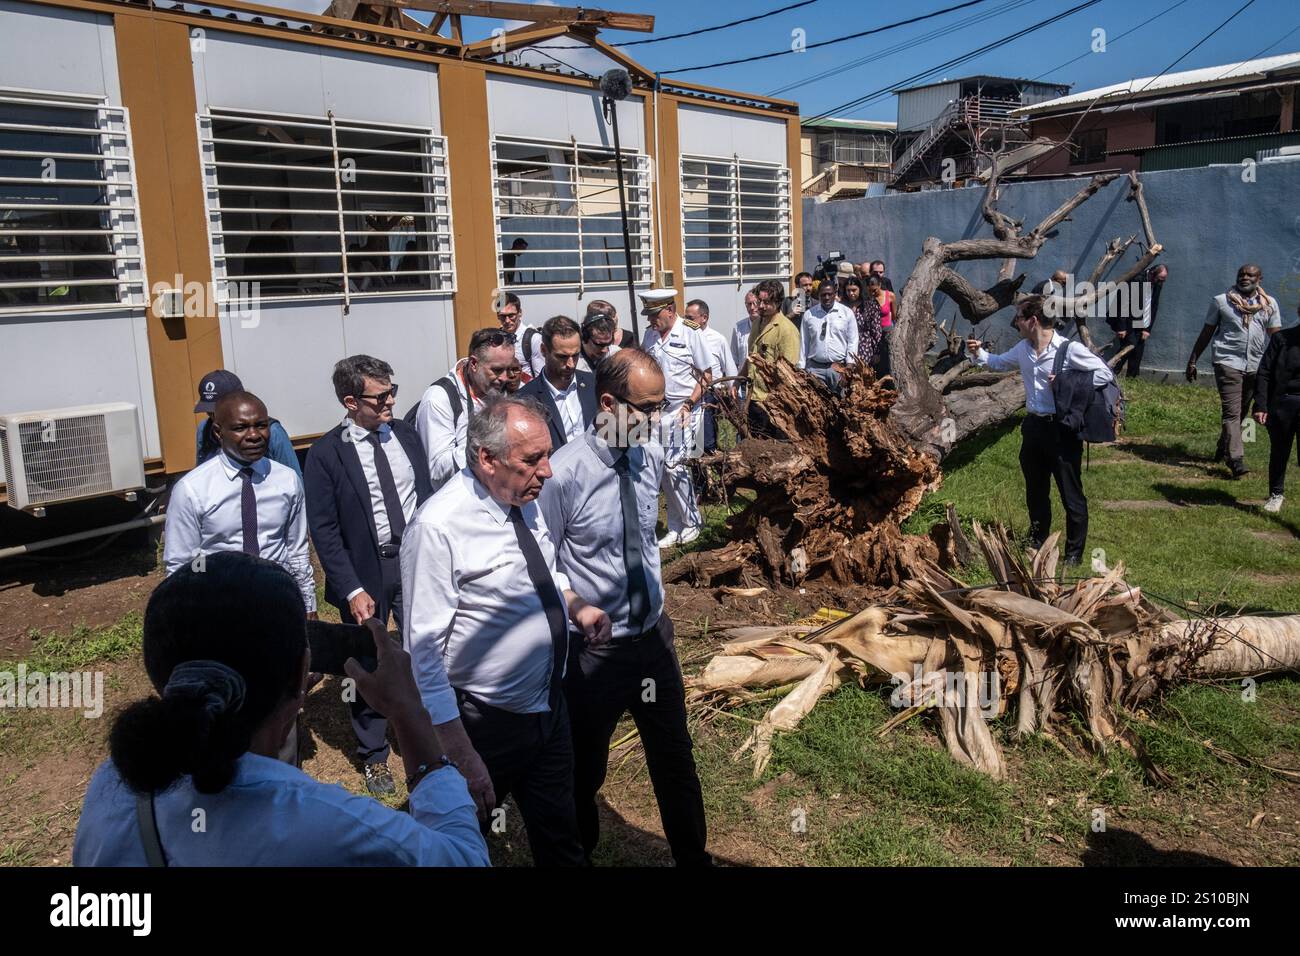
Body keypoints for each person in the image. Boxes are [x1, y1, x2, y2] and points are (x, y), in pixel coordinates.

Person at [72, 552, 490, 866]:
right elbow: (463, 857)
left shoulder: (116, 781)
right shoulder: (323, 824)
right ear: (302, 675)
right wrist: (411, 714)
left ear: (161, 672)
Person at [402, 395, 611, 866]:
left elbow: (541, 572)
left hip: (547, 708)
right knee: (458, 845)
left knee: (561, 838)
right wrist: (460, 751)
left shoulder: (522, 495)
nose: (549, 471)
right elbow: (423, 653)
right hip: (484, 723)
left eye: (549, 455)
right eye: (533, 459)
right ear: (486, 458)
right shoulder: (439, 527)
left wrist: (576, 607)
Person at [539, 350, 711, 866]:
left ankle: (692, 858)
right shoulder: (563, 474)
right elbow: (544, 559)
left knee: (675, 759)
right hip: (596, 654)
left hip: (654, 642)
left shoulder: (648, 454)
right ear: (608, 403)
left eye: (661, 408)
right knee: (584, 768)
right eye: (648, 408)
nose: (657, 420)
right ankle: (579, 855)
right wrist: (576, 609)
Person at [304, 355, 432, 795]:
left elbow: (426, 496)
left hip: (416, 560)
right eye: (381, 396)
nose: (391, 401)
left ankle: (430, 730)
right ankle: (374, 753)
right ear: (350, 401)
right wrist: (352, 587)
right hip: (366, 569)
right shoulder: (326, 454)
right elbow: (323, 530)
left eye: (392, 390)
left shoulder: (405, 435)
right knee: (368, 658)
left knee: (427, 645)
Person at [966, 296, 1115, 565]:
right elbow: (999, 362)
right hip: (1034, 427)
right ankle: (1038, 540)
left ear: (1033, 320)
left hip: (1062, 430)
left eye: (1019, 318)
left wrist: (1067, 381)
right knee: (1035, 490)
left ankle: (1073, 555)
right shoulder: (1023, 348)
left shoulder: (1069, 349)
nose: (1016, 323)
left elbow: (1104, 373)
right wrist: (978, 353)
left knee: (1071, 494)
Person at [1186, 264, 1282, 479]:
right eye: (1242, 274)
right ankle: (1236, 459)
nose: (1245, 277)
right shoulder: (1221, 301)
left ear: (1260, 278)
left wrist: (1279, 366)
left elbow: (1276, 339)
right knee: (1231, 412)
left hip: (1255, 365)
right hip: (1227, 362)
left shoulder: (1269, 304)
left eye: (1250, 275)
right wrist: (1192, 360)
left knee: (1241, 412)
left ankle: (1223, 448)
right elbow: (1207, 332)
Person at [640, 289, 712, 548]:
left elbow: (706, 375)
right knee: (662, 469)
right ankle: (675, 525)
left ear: (670, 310)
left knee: (676, 466)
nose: (651, 321)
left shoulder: (691, 331)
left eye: (655, 314)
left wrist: (690, 405)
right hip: (658, 411)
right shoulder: (649, 334)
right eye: (648, 315)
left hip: (686, 409)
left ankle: (692, 521)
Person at [413, 328, 517, 488]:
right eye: (497, 370)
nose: (504, 378)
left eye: (508, 369)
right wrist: (488, 445)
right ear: (474, 364)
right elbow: (436, 473)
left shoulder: (497, 389)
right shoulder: (439, 399)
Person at [194, 370, 299, 477]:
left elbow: (293, 478)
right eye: (209, 412)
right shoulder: (205, 429)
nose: (214, 417)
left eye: (219, 410)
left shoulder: (273, 432)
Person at [518, 315, 597, 450]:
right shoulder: (525, 400)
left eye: (576, 355)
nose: (571, 364)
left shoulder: (595, 383)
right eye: (562, 357)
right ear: (543, 350)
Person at [1252, 303, 1300, 513]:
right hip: (1283, 403)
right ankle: (1276, 494)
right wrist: (1261, 405)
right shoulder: (1281, 339)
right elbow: (1264, 372)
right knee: (1280, 452)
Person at [744, 278, 800, 438]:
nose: (760, 306)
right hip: (753, 398)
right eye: (759, 301)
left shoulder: (786, 330)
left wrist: (777, 405)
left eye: (766, 302)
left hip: (772, 404)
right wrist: (737, 381)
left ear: (778, 302)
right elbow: (751, 357)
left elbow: (788, 374)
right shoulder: (757, 323)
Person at [684, 298, 737, 453]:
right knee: (691, 440)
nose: (686, 322)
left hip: (709, 395)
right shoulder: (684, 337)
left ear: (704, 318)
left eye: (690, 318)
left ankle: (710, 465)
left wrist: (733, 396)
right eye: (685, 317)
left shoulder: (718, 339)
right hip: (689, 393)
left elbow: (729, 368)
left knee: (707, 440)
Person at [799, 273, 858, 393]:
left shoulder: (846, 313)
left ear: (835, 294)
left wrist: (849, 367)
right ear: (818, 295)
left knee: (841, 406)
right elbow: (804, 343)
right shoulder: (809, 315)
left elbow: (853, 341)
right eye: (823, 295)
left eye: (829, 294)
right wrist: (801, 368)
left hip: (838, 369)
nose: (826, 298)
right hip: (814, 369)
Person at [1110, 264, 1167, 379]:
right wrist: (1121, 327)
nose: (1161, 282)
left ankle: (1132, 377)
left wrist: (1147, 329)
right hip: (1127, 320)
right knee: (1129, 345)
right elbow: (1123, 304)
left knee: (1138, 348)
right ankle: (1111, 373)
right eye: (1160, 279)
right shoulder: (1137, 280)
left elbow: (1154, 306)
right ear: (1152, 274)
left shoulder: (1157, 283)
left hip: (1142, 320)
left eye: (1164, 280)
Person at [495, 291, 544, 379]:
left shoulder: (533, 339)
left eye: (511, 315)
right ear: (497, 316)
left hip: (527, 391)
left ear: (520, 313)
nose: (507, 320)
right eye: (503, 316)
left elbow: (541, 378)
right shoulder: (495, 339)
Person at [841, 275, 883, 369]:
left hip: (864, 346)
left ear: (860, 289)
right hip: (845, 346)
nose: (851, 293)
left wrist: (877, 352)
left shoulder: (870, 305)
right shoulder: (842, 306)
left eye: (854, 290)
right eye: (848, 290)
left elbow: (876, 330)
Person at [576, 304, 624, 375]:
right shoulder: (575, 362)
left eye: (608, 343)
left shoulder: (617, 354)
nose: (605, 350)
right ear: (585, 338)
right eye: (600, 344)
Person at [865, 273, 895, 380]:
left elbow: (895, 316)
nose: (873, 293)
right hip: (873, 335)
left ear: (880, 285)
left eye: (875, 290)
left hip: (886, 332)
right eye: (870, 290)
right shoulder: (867, 300)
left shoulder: (890, 296)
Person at [732, 290, 758, 376]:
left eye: (755, 303)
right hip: (743, 381)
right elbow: (734, 359)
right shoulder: (739, 328)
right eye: (749, 304)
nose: (752, 307)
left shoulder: (769, 327)